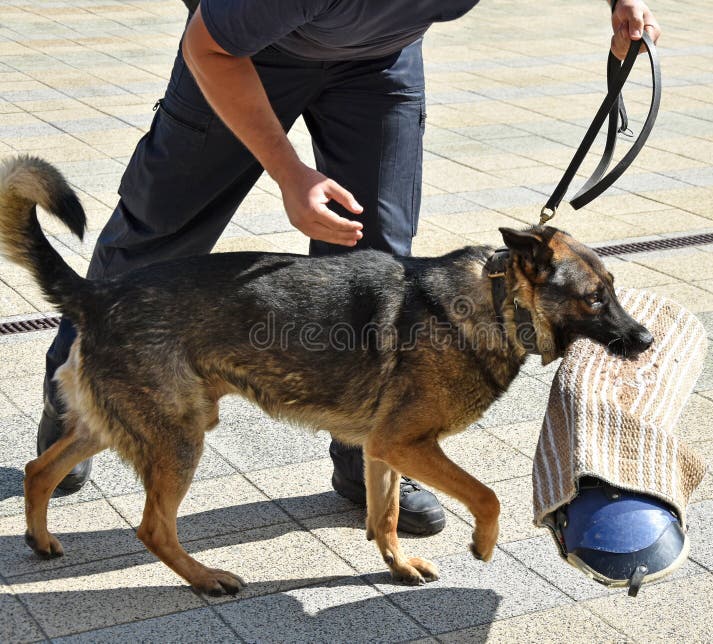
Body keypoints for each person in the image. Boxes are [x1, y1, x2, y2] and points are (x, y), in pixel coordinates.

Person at [37, 0, 661, 537]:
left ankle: (370, 446)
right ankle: (83, 404)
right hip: (248, 49)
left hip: (380, 59)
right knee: (159, 236)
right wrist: (288, 173)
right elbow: (210, 45)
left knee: (380, 253)